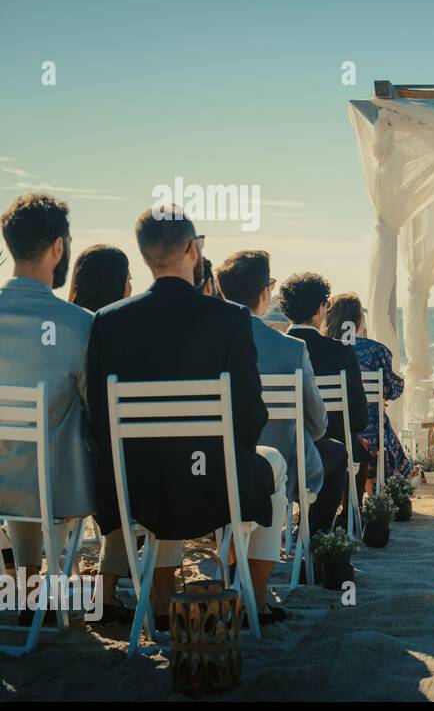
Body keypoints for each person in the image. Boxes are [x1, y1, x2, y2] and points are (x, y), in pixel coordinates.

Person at [85, 207, 287, 627]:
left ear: (144, 258)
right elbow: (251, 411)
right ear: (193, 251)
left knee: (167, 464)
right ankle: (257, 595)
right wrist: (228, 454)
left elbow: (99, 419)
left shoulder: (109, 321)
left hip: (135, 489)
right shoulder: (229, 318)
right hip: (214, 486)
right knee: (274, 467)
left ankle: (161, 599)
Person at [0, 194, 112, 624]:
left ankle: (27, 585)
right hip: (54, 488)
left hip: (7, 479)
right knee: (64, 444)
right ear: (58, 247)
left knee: (25, 453)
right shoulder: (78, 324)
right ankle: (84, 585)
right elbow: (94, 408)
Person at [216, 252, 349, 558]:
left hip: (218, 470)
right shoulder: (291, 349)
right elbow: (318, 425)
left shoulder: (207, 346)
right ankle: (314, 545)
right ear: (265, 294)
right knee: (336, 452)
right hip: (284, 469)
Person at [278, 272, 369, 527]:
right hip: (324, 449)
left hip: (278, 448)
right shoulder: (340, 352)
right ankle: (318, 534)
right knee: (341, 449)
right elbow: (360, 416)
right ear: (320, 309)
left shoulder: (275, 351)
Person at [324, 293, 414, 483]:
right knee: (381, 421)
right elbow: (393, 390)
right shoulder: (376, 350)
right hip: (371, 430)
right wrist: (378, 395)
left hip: (332, 430)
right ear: (358, 320)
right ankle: (380, 491)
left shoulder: (323, 349)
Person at [69, 244, 132, 312]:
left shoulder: (64, 318)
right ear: (115, 286)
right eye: (128, 279)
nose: (131, 288)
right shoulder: (125, 321)